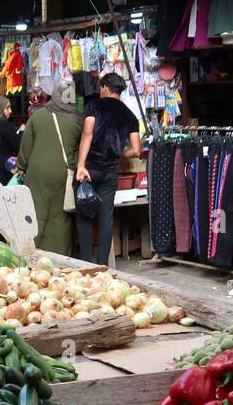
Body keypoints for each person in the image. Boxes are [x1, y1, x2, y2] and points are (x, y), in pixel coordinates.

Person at [75, 72, 141, 265]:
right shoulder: (129, 115)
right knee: (106, 218)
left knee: (85, 216)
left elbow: (87, 134)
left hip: (89, 170)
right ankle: (103, 265)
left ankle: (85, 263)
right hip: (111, 173)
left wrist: (80, 165)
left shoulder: (94, 106)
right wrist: (119, 154)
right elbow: (136, 150)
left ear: (104, 87)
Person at [17, 81, 83, 256]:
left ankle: (31, 253)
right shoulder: (77, 119)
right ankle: (60, 256)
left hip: (38, 172)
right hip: (63, 173)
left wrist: (21, 166)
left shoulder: (38, 116)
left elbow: (26, 145)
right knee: (60, 217)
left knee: (36, 211)